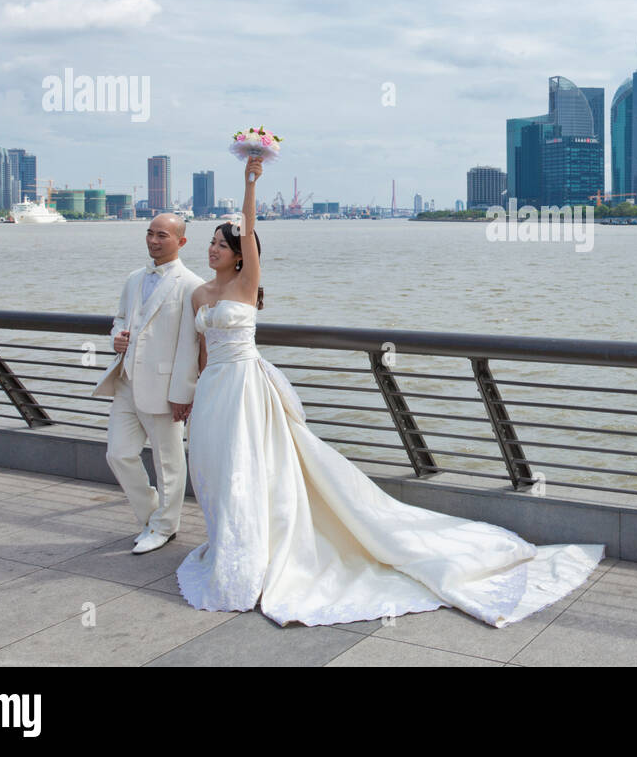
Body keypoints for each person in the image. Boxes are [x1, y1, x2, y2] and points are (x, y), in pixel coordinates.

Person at [177, 158, 604, 627]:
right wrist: (194, 396)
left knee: (247, 467)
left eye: (222, 243)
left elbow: (252, 226)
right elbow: (200, 351)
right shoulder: (199, 296)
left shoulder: (245, 284)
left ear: (241, 253)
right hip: (215, 388)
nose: (213, 249)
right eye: (211, 243)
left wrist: (250, 184)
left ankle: (252, 560)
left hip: (244, 387)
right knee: (217, 469)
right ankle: (229, 548)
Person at [92, 213, 204, 555]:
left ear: (181, 242)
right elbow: (121, 319)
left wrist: (184, 393)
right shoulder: (134, 279)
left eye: (162, 236)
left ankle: (165, 527)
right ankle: (154, 514)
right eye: (150, 233)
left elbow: (191, 344)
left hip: (164, 386)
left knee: (168, 462)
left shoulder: (191, 285)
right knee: (119, 454)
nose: (154, 241)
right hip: (126, 380)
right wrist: (118, 337)